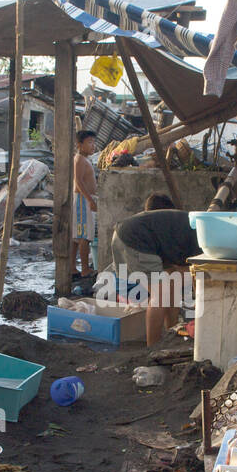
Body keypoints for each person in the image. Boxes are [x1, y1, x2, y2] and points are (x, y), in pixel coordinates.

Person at [103, 194, 197, 345]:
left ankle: (171, 333)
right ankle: (152, 347)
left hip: (131, 235)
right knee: (160, 295)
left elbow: (183, 275)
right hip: (135, 238)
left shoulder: (194, 229)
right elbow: (194, 276)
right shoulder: (201, 239)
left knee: (172, 287)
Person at [72, 130, 99, 278]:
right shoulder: (79, 160)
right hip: (82, 200)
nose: (93, 145)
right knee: (84, 236)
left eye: (93, 142)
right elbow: (78, 181)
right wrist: (90, 200)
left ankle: (73, 268)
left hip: (83, 199)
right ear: (80, 144)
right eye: (89, 142)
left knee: (78, 236)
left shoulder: (84, 159)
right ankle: (84, 269)